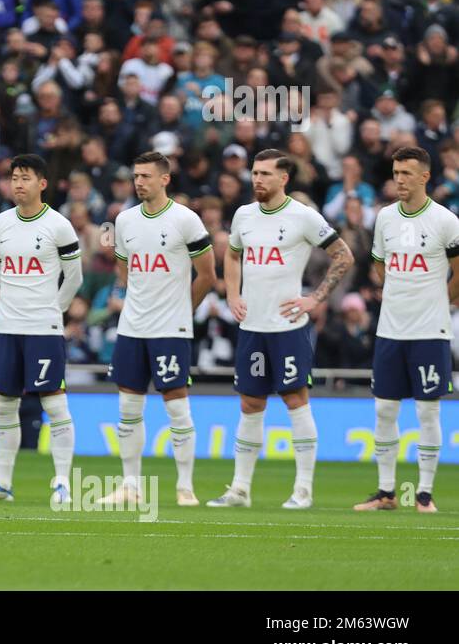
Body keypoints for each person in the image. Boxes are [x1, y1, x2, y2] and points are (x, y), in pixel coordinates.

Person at [211, 149, 353, 509]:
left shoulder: (303, 217)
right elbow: (231, 253)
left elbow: (344, 255)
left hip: (288, 327)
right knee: (250, 402)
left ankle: (303, 490)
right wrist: (232, 292)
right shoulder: (244, 214)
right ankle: (240, 489)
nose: (257, 179)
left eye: (265, 174)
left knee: (295, 399)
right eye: (255, 173)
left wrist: (315, 298)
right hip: (252, 325)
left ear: (284, 178)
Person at [0, 154, 82, 504]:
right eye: (14, 177)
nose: (18, 184)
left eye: (26, 178)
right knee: (4, 404)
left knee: (54, 403)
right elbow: (2, 271)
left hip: (43, 328)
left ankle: (62, 482)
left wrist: (54, 309)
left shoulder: (59, 225)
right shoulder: (0, 223)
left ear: (42, 184)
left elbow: (74, 276)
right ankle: (2, 484)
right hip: (7, 327)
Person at [107, 151, 217, 506]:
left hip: (170, 328)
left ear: (164, 179)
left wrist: (183, 309)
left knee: (176, 406)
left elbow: (208, 275)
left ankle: (185, 487)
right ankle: (130, 487)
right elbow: (123, 270)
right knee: (128, 407)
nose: (139, 182)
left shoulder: (186, 220)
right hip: (132, 326)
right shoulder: (124, 221)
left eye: (146, 177)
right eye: (136, 176)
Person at [357, 146, 458, 513]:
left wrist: (440, 301)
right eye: (396, 172)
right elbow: (380, 266)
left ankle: (425, 494)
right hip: (390, 331)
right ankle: (386, 492)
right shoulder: (385, 218)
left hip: (430, 331)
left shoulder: (445, 221)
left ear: (424, 177)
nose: (399, 179)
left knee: (428, 412)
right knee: (384, 410)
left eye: (406, 173)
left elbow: (458, 271)